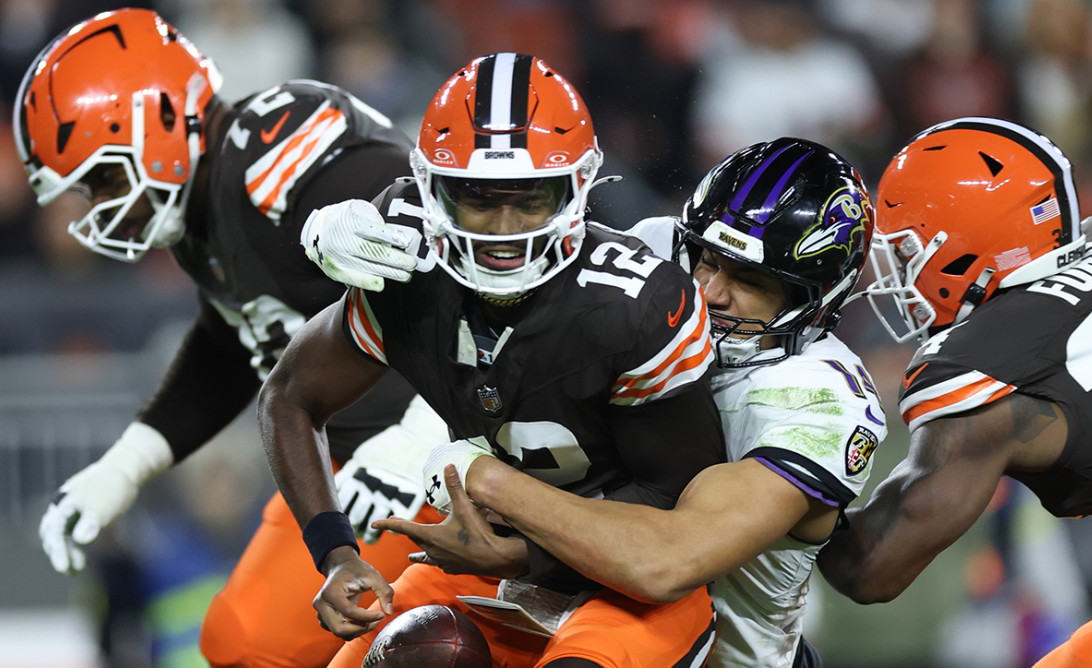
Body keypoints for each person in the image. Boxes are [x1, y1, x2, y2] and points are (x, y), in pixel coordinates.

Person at [12, 9, 449, 666]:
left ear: (159, 122)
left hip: (449, 447)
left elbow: (450, 253)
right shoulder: (204, 210)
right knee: (241, 642)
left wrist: (423, 438)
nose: (98, 205)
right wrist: (122, 468)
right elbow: (233, 347)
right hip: (350, 467)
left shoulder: (273, 148)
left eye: (102, 176)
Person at [261, 52, 724, 667]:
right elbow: (290, 397)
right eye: (478, 198)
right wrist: (336, 552)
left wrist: (519, 554)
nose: (504, 232)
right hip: (488, 549)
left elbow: (677, 518)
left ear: (578, 187)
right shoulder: (404, 260)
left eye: (530, 200)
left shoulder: (636, 305)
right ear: (432, 190)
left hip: (630, 578)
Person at [366, 138, 886, 667]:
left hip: (707, 645)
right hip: (554, 607)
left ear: (814, 301)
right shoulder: (654, 258)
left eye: (750, 281)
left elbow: (667, 561)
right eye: (708, 261)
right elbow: (506, 264)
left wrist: (491, 484)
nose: (709, 291)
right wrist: (387, 225)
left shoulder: (818, 405)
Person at [815, 117, 1092, 668]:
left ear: (967, 246)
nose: (900, 276)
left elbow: (870, 568)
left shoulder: (982, 365)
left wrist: (780, 478)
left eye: (908, 254)